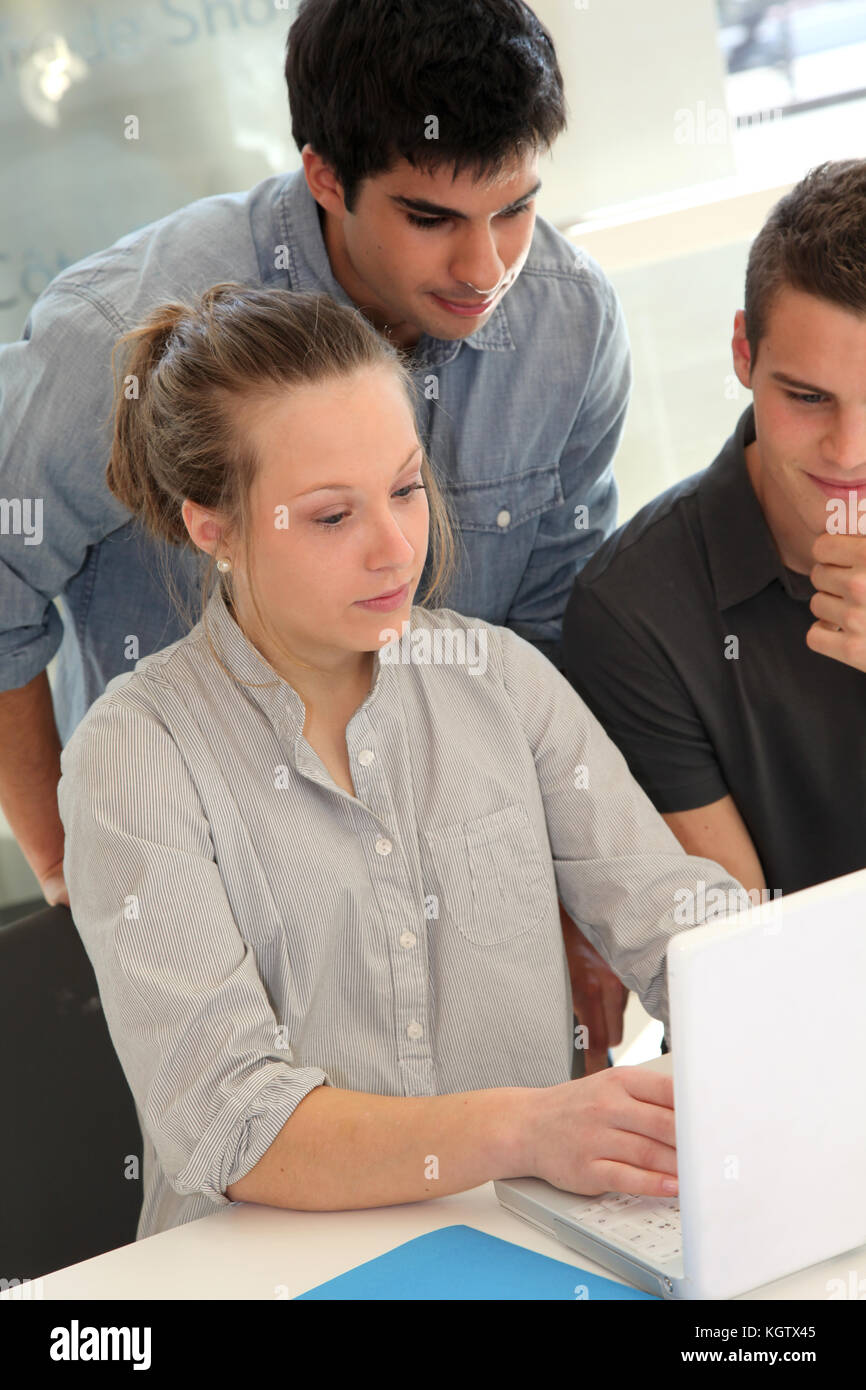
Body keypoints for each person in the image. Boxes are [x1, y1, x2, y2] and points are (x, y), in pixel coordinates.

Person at [0, 0, 630, 1067]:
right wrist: (73, 875)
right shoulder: (116, 336)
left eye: (515, 207)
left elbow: (549, 632)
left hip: (472, 913)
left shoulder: (568, 326)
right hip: (220, 903)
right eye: (431, 218)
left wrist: (576, 910)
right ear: (323, 177)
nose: (486, 268)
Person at [56, 283, 742, 1239]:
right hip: (268, 1272)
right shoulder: (135, 759)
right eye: (332, 517)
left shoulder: (500, 679)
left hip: (518, 1244)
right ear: (211, 525)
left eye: (408, 488)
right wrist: (530, 1126)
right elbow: (231, 1123)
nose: (395, 549)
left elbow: (682, 930)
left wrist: (771, 990)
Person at [562, 160, 866, 899]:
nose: (850, 450)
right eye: (807, 396)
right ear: (743, 353)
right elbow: (749, 959)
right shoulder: (633, 614)